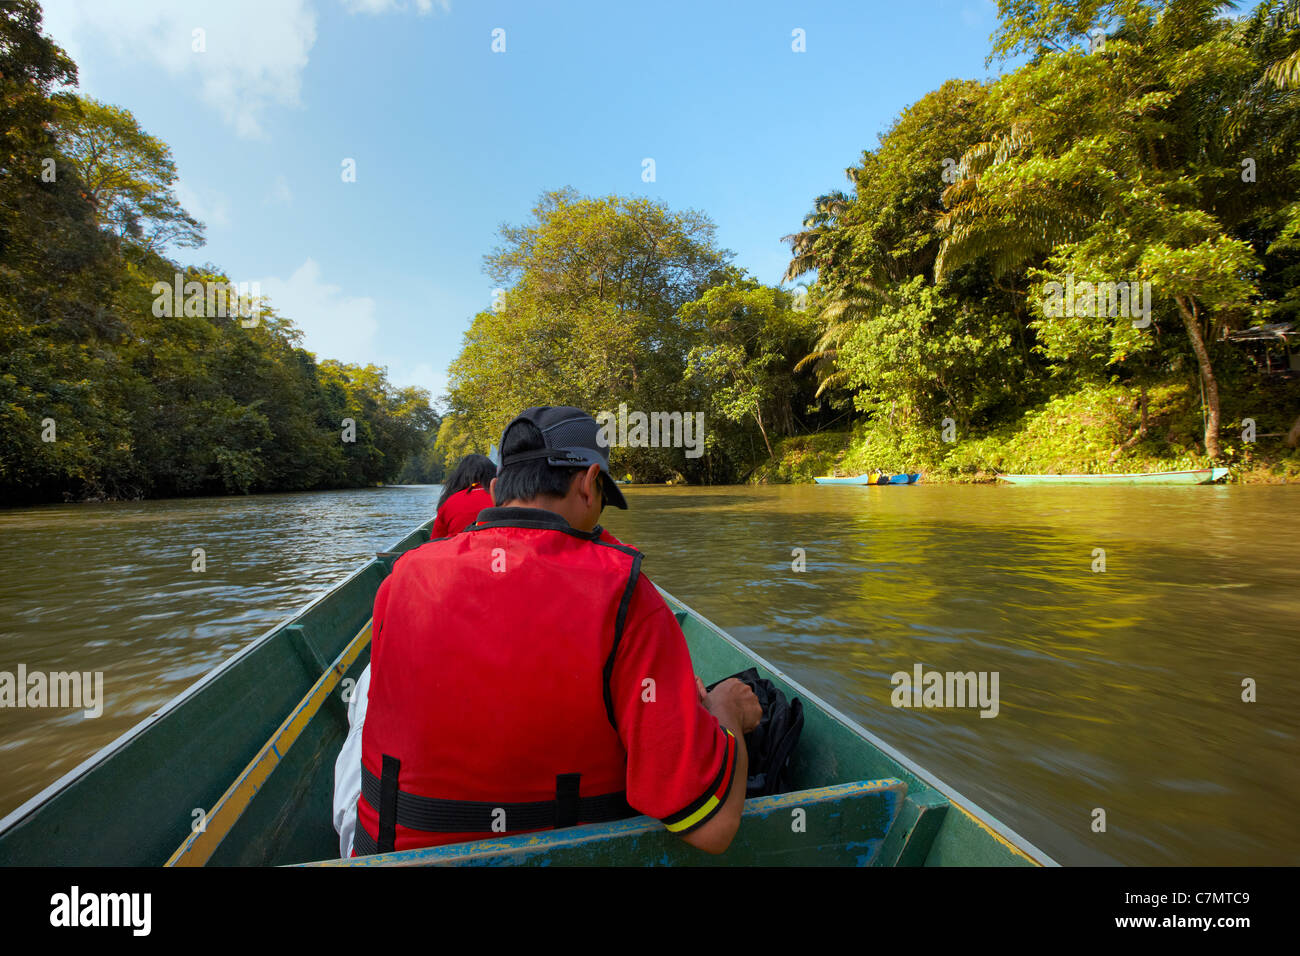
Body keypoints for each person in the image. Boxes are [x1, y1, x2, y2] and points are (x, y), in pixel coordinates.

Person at [334, 406, 760, 857]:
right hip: (563, 855)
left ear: (497, 490)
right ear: (587, 482)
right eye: (601, 495)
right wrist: (725, 710)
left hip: (385, 856)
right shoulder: (625, 590)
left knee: (362, 694)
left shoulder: (401, 577)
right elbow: (711, 829)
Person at [430, 453, 496, 538]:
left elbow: (435, 540)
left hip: (458, 549)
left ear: (460, 476)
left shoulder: (448, 502)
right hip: (496, 549)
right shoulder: (504, 498)